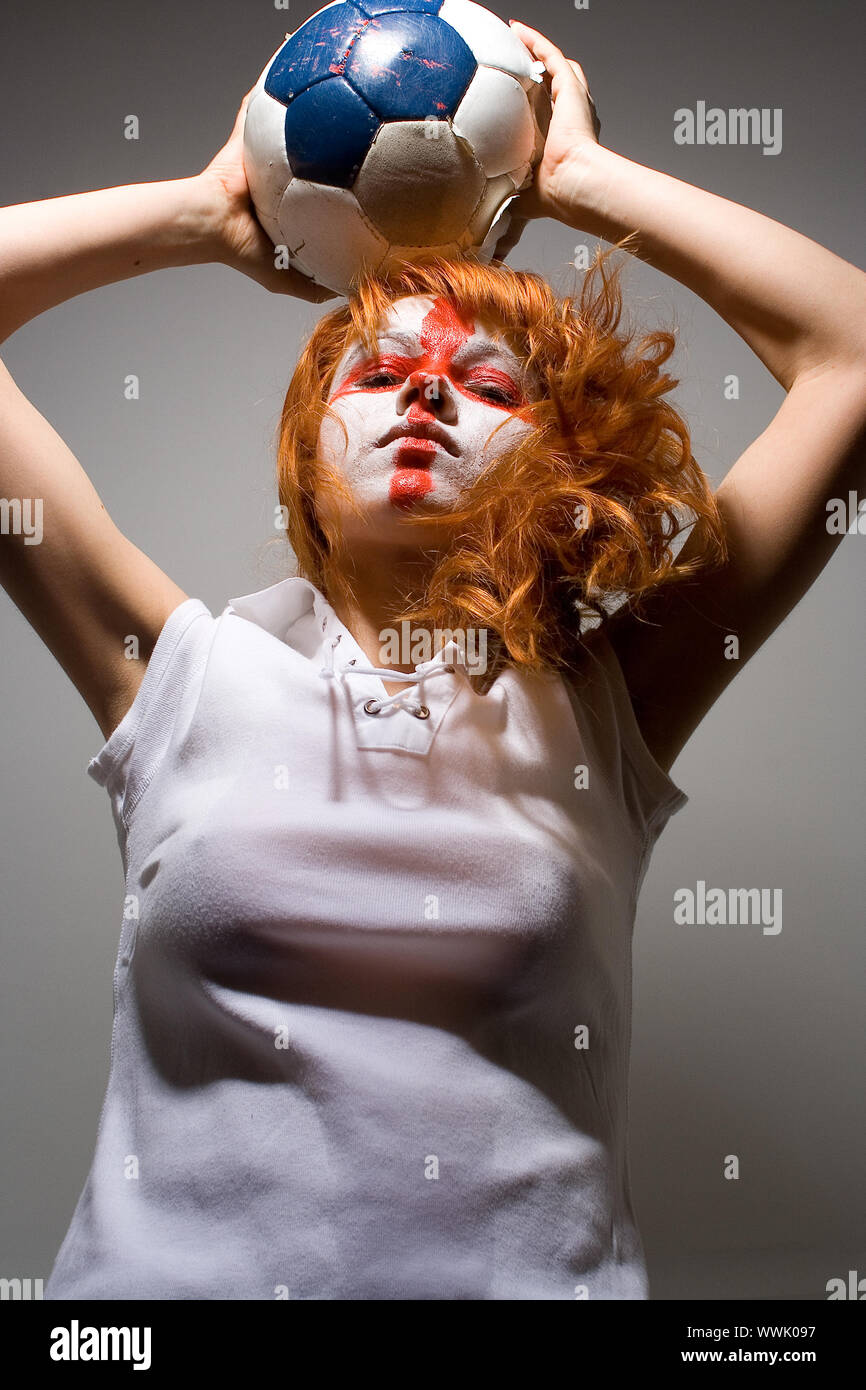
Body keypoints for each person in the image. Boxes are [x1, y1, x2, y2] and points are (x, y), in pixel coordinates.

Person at [1, 19, 863, 1300]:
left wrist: (570, 179)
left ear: (553, 464)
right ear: (306, 454)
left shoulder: (605, 703)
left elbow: (848, 358)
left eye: (485, 384)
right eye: (380, 369)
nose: (422, 395)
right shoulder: (180, 676)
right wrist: (199, 215)